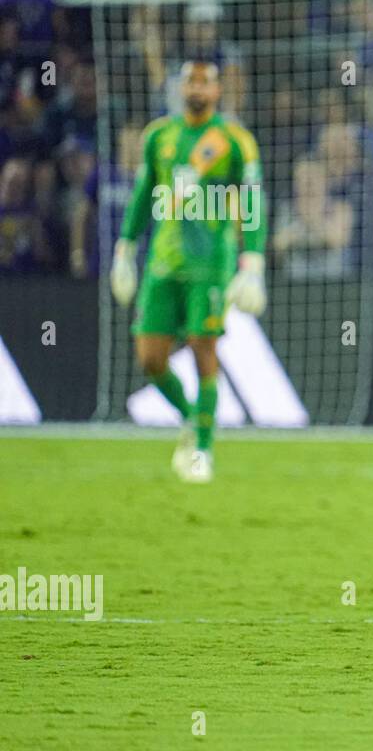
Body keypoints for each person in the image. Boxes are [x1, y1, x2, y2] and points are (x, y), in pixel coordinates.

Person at [108, 60, 267, 483]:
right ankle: (192, 419)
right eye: (190, 81)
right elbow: (145, 192)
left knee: (203, 348)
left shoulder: (235, 141)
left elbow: (251, 201)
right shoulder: (160, 135)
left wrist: (253, 260)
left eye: (206, 83)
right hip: (163, 263)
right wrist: (125, 246)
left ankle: (202, 452)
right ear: (181, 88)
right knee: (150, 357)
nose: (197, 89)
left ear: (218, 92)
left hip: (210, 264)